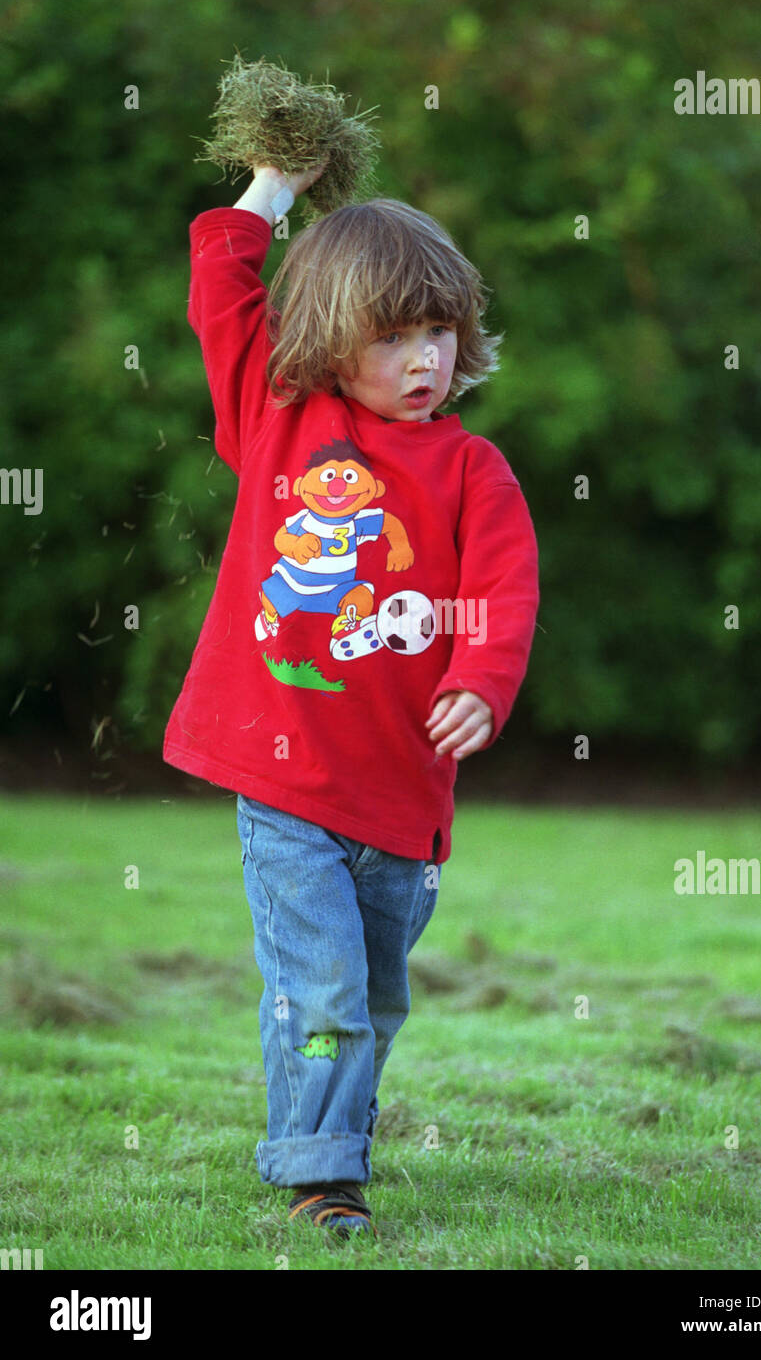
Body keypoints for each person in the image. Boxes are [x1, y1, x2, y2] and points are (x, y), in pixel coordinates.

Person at [163, 161, 539, 1238]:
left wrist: (477, 678)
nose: (422, 359)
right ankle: (322, 1176)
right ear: (328, 342)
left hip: (399, 807)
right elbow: (222, 288)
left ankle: (333, 1140)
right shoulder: (277, 422)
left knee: (372, 999)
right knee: (322, 989)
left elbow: (498, 597)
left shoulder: (473, 470)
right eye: (389, 337)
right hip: (282, 781)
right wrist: (272, 186)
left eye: (438, 331)